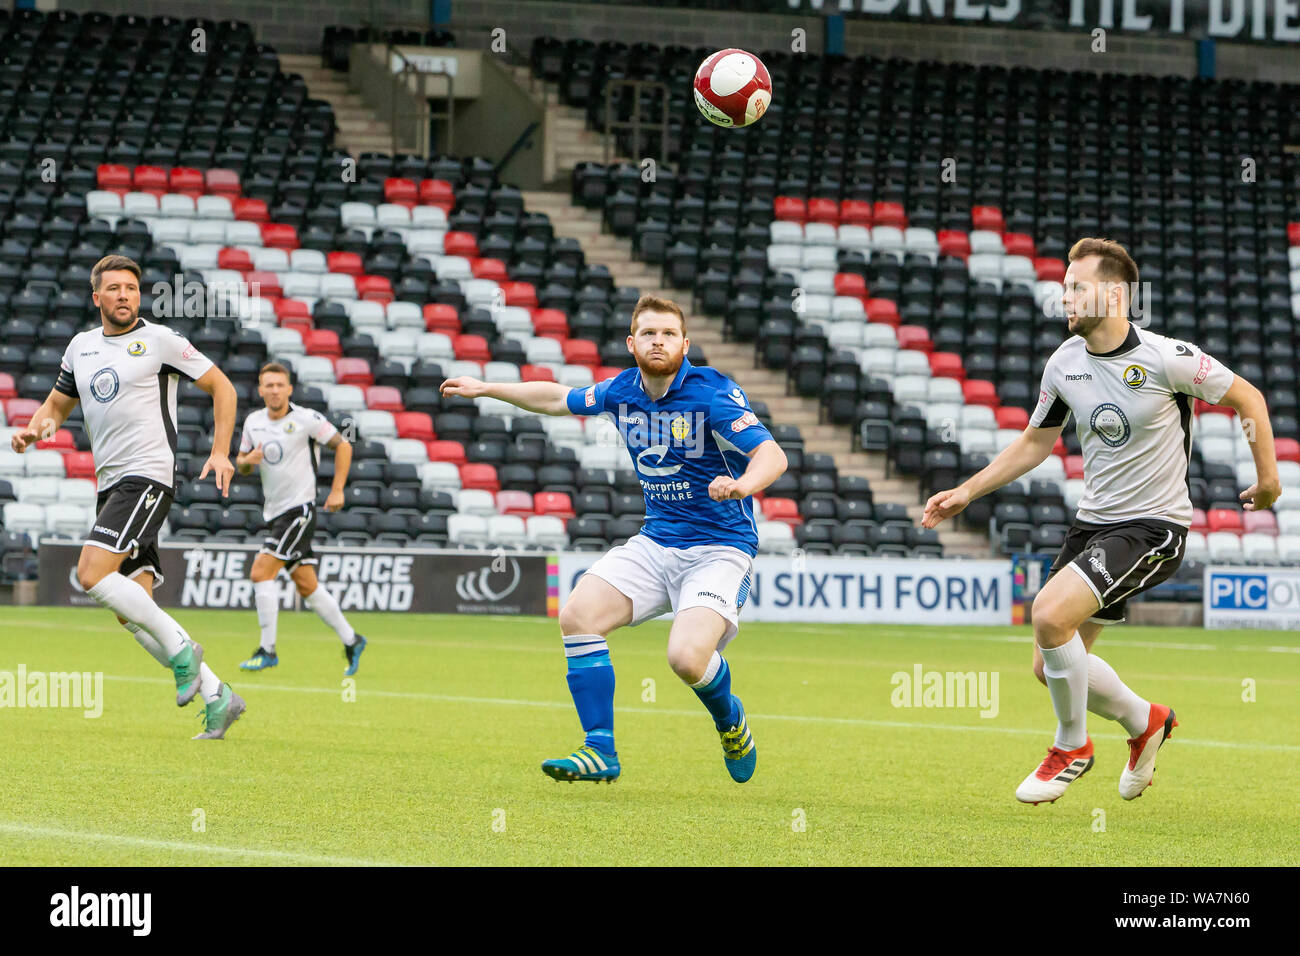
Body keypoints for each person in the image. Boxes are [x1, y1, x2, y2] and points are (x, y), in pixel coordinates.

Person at [923, 238, 1281, 804]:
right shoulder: (1064, 363)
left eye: (1076, 287)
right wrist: (967, 491)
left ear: (1114, 294)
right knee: (1050, 664)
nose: (1063, 296)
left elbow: (1250, 400)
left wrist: (1269, 479)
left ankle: (1072, 747)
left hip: (1154, 527)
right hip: (1094, 524)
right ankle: (1147, 723)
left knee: (1047, 613)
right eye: (1063, 287)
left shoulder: (1168, 358)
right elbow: (1037, 443)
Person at [440, 294, 787, 784]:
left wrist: (743, 485)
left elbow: (772, 455)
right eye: (648, 333)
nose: (659, 341)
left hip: (720, 548)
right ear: (632, 343)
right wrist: (486, 388)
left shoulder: (713, 393)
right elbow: (557, 398)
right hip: (656, 541)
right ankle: (600, 748)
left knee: (686, 660)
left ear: (685, 343)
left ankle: (730, 721)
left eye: (668, 333)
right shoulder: (622, 390)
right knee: (577, 615)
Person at [10, 254, 247, 739]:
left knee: (89, 573)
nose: (124, 295)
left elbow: (221, 386)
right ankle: (219, 696)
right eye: (114, 288)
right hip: (110, 485)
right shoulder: (81, 348)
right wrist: (34, 431)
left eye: (132, 289)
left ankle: (184, 652)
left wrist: (222, 451)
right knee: (133, 610)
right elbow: (58, 405)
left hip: (147, 477)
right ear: (96, 297)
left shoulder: (158, 340)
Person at [235, 362, 366, 674]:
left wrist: (337, 490)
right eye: (269, 385)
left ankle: (267, 650)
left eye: (280, 385)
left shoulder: (306, 419)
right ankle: (352, 640)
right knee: (307, 586)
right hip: (275, 512)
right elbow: (240, 463)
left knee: (260, 572)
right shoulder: (253, 422)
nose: (275, 390)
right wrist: (247, 462)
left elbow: (342, 445)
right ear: (261, 389)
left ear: (289, 389)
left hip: (300, 510)